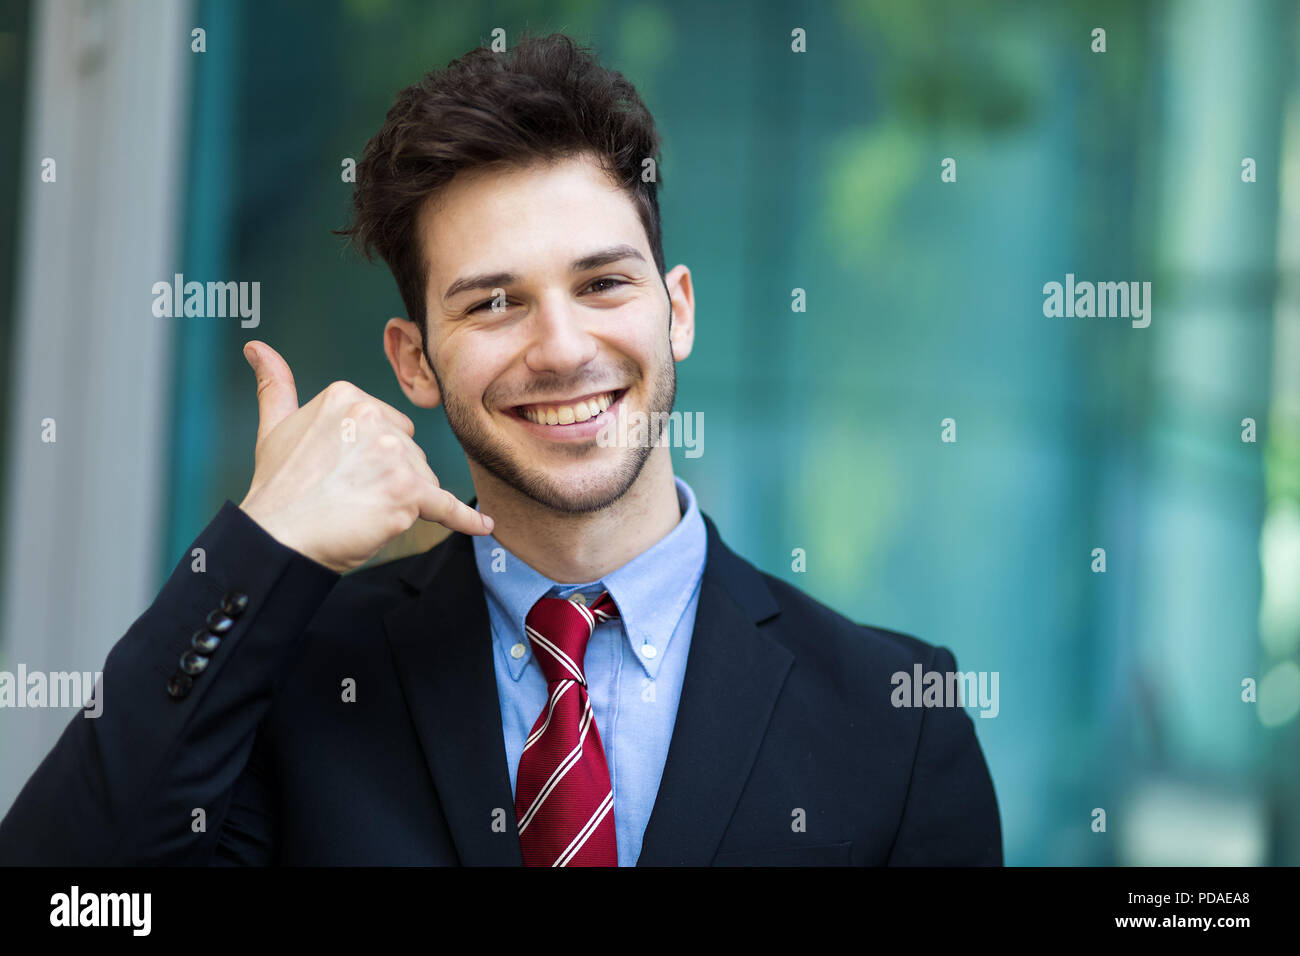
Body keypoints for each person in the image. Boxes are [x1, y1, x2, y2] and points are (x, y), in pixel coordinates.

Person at [0, 32, 1001, 866]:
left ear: (676, 308)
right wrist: (261, 546)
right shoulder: (298, 681)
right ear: (415, 360)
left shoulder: (895, 719)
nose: (562, 347)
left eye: (603, 283)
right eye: (493, 301)